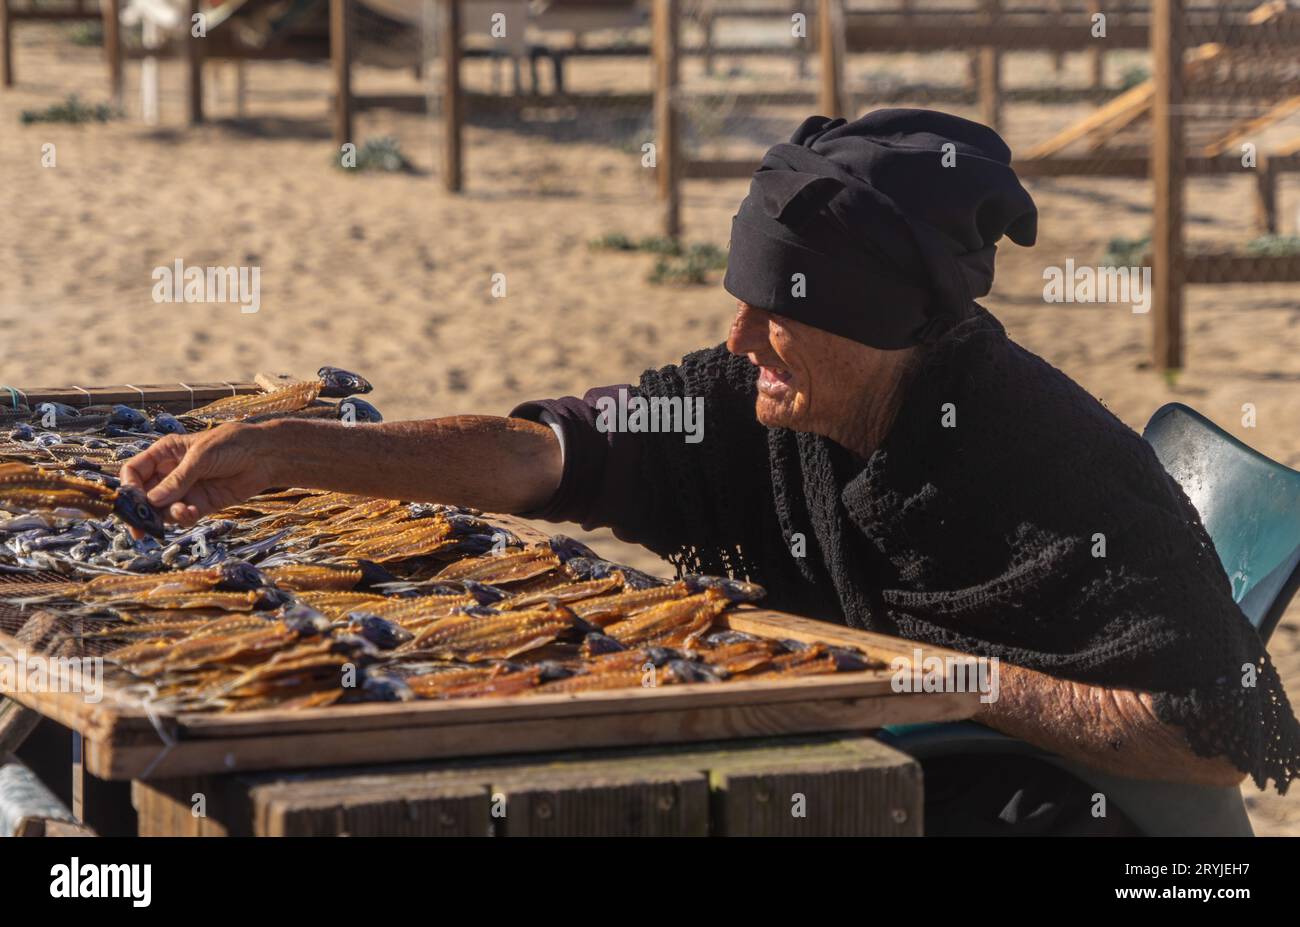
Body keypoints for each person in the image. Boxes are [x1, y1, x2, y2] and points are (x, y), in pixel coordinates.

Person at [122, 110, 1300, 834]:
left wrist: (933, 682)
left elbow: (1206, 731)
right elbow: (544, 455)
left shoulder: (1039, 466)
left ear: (880, 325)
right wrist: (292, 455)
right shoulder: (755, 403)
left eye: (773, 314)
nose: (737, 345)